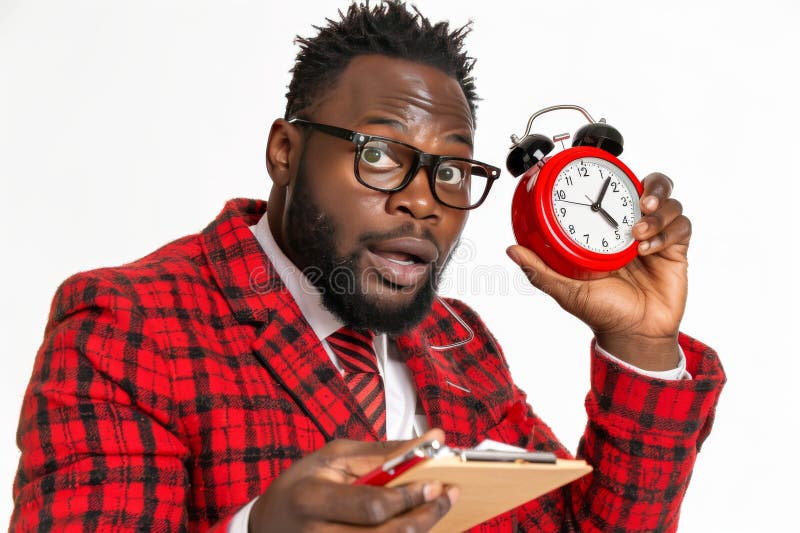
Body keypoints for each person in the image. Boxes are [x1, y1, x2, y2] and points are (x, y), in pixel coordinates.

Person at [11, 1, 725, 531]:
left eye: (450, 170)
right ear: (285, 151)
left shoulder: (460, 344)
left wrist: (641, 344)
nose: (422, 201)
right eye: (379, 154)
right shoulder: (127, 324)